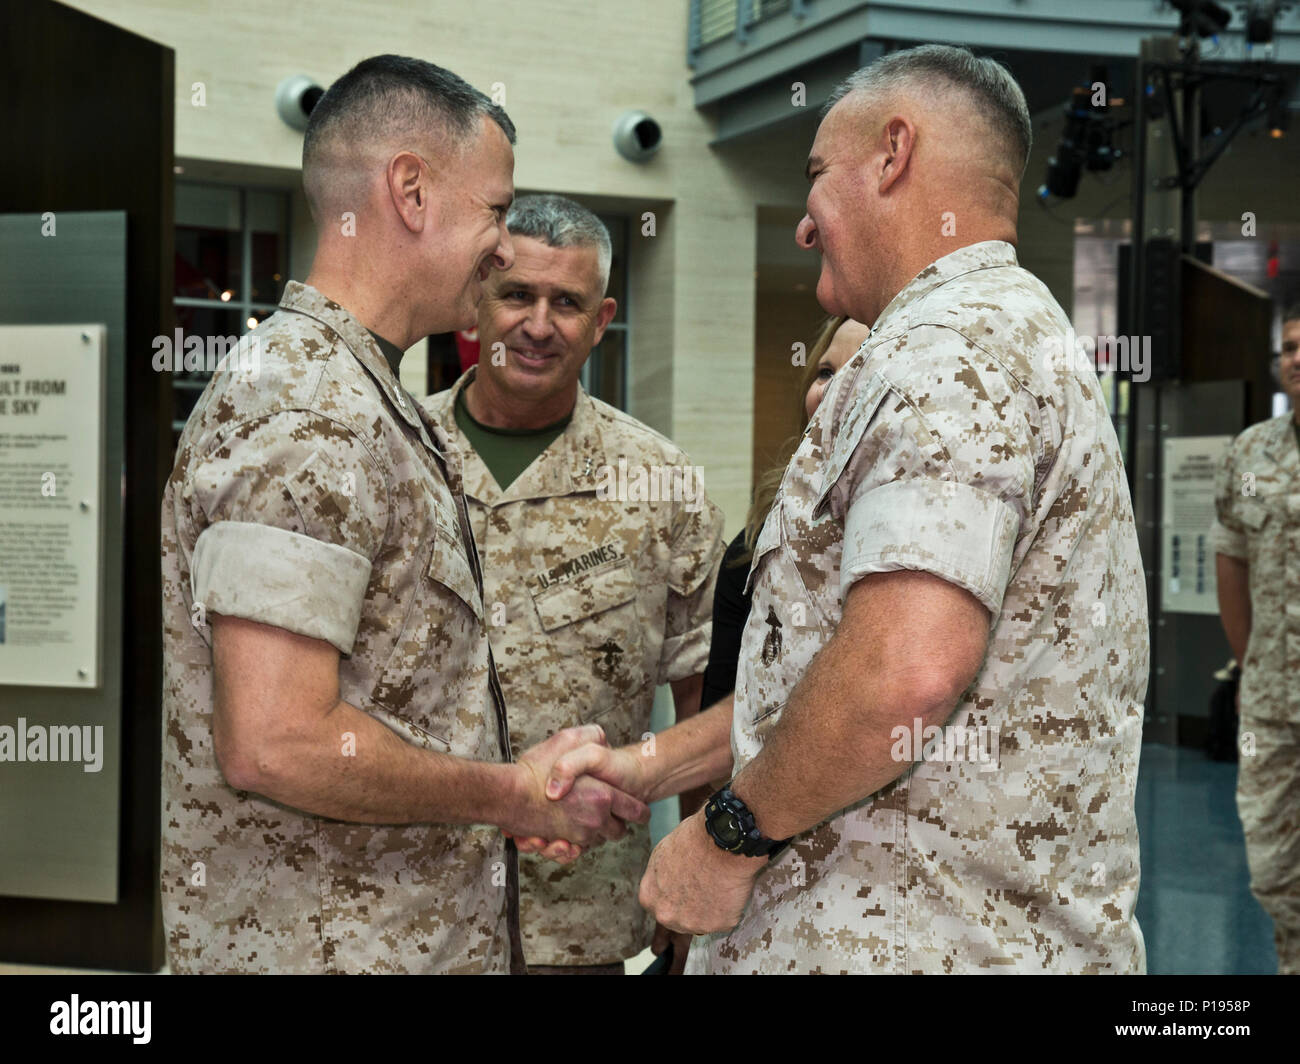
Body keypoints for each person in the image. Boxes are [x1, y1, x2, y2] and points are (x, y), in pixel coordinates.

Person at [533, 43, 1150, 974]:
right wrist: (651, 767)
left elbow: (904, 673)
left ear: (893, 154)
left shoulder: (947, 353)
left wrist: (726, 838)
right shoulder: (1008, 336)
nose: (804, 227)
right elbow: (829, 674)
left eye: (817, 175)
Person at [159, 57, 647, 975]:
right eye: (496, 211)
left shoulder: (363, 396)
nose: (505, 247)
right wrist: (509, 794)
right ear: (411, 191)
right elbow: (274, 740)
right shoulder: (305, 409)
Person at [422, 194, 725, 975]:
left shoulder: (661, 484)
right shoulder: (397, 457)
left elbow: (706, 706)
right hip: (402, 916)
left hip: (577, 926)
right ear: (474, 304)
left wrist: (698, 872)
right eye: (516, 294)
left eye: (568, 303)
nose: (538, 323)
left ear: (602, 319)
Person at [701, 315, 869, 711]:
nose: (830, 391)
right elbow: (723, 708)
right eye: (825, 372)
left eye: (861, 370)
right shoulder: (755, 546)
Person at [1212, 303, 1300, 974]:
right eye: (1290, 348)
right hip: (1273, 703)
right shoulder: (1251, 451)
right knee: (1273, 870)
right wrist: (1250, 666)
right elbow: (1232, 560)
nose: (1297, 358)